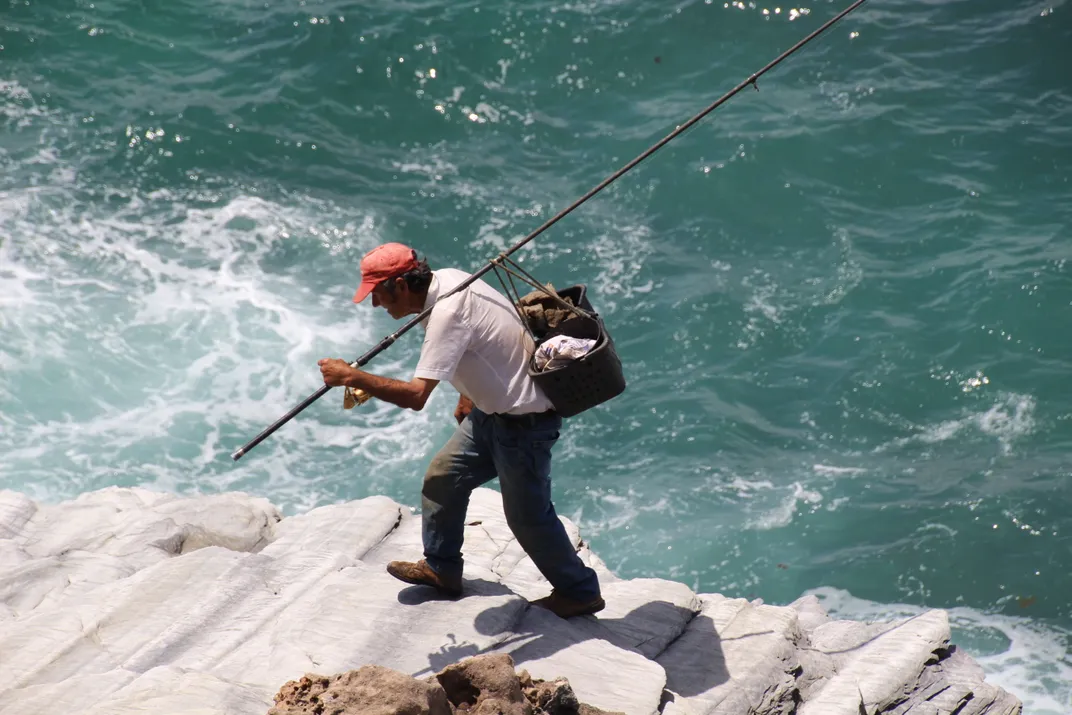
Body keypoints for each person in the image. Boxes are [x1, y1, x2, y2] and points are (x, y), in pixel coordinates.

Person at [317, 242, 604, 618]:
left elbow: (417, 396)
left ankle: (580, 591)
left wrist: (352, 377)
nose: (376, 305)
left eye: (377, 294)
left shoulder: (446, 311)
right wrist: (468, 393)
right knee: (442, 478)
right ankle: (442, 568)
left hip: (523, 423)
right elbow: (485, 340)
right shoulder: (450, 280)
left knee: (528, 517)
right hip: (489, 413)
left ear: (401, 286)